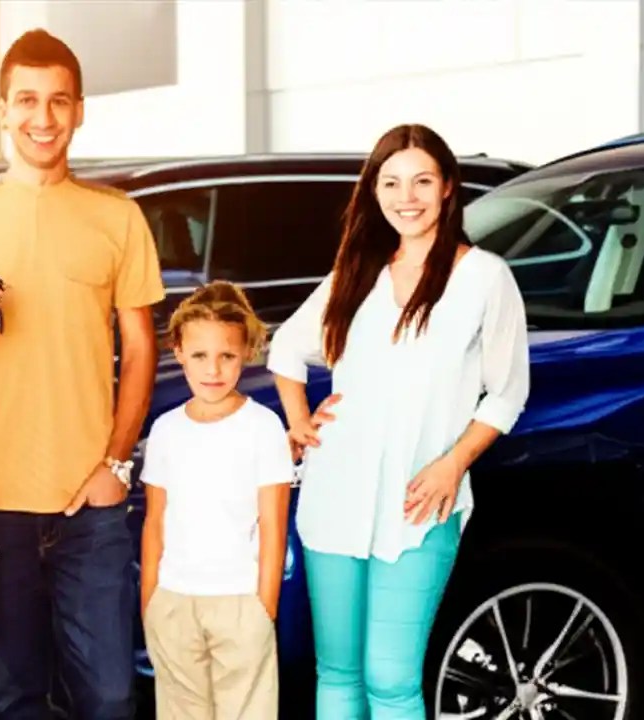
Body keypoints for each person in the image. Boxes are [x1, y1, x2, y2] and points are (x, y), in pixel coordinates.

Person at [0, 28, 165, 719]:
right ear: (1, 109)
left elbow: (141, 349)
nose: (42, 118)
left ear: (79, 110)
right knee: (13, 696)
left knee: (109, 696)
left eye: (57, 101)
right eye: (26, 100)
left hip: (92, 502)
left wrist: (116, 461)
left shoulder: (117, 217)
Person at [266, 123, 531, 718]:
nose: (405, 196)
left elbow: (508, 392)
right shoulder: (358, 272)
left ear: (447, 189)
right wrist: (300, 420)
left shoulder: (484, 277)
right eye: (390, 182)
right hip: (336, 494)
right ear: (373, 190)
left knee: (390, 678)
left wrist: (452, 464)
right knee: (337, 674)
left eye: (420, 181)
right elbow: (286, 349)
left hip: (421, 502)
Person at [138, 282, 295, 719]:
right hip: (174, 601)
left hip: (241, 603)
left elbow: (272, 525)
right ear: (179, 351)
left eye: (226, 355)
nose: (213, 369)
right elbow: (155, 522)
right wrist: (151, 599)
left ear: (246, 352)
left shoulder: (263, 427)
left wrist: (264, 607)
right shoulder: (167, 430)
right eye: (201, 355)